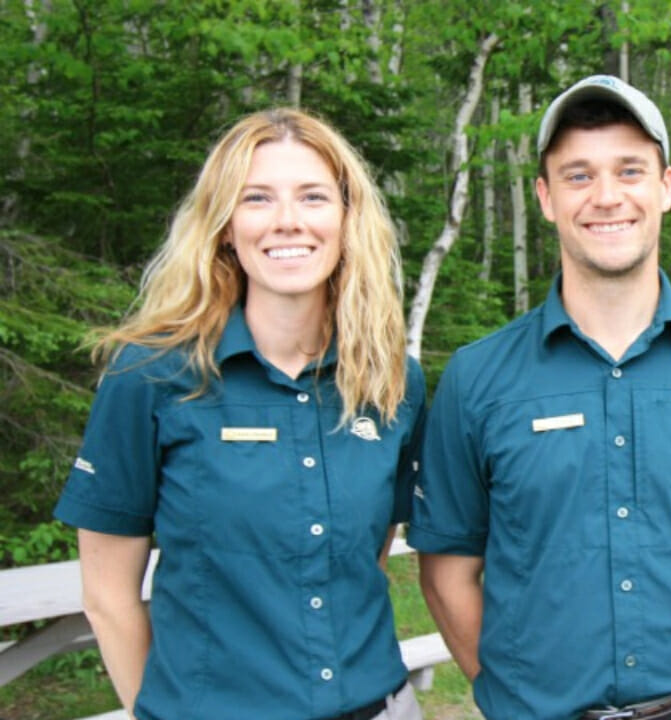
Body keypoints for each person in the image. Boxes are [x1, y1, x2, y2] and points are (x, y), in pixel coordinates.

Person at [410, 75, 671, 720]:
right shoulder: (476, 377)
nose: (607, 197)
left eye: (629, 170)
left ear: (667, 186)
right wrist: (513, 695)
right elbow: (448, 572)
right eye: (578, 176)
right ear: (544, 196)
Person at [54, 108, 426, 720]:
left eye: (312, 197)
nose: (288, 222)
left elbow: (366, 557)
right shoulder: (150, 375)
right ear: (226, 225)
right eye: (257, 198)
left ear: (346, 219)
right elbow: (107, 597)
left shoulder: (391, 381)